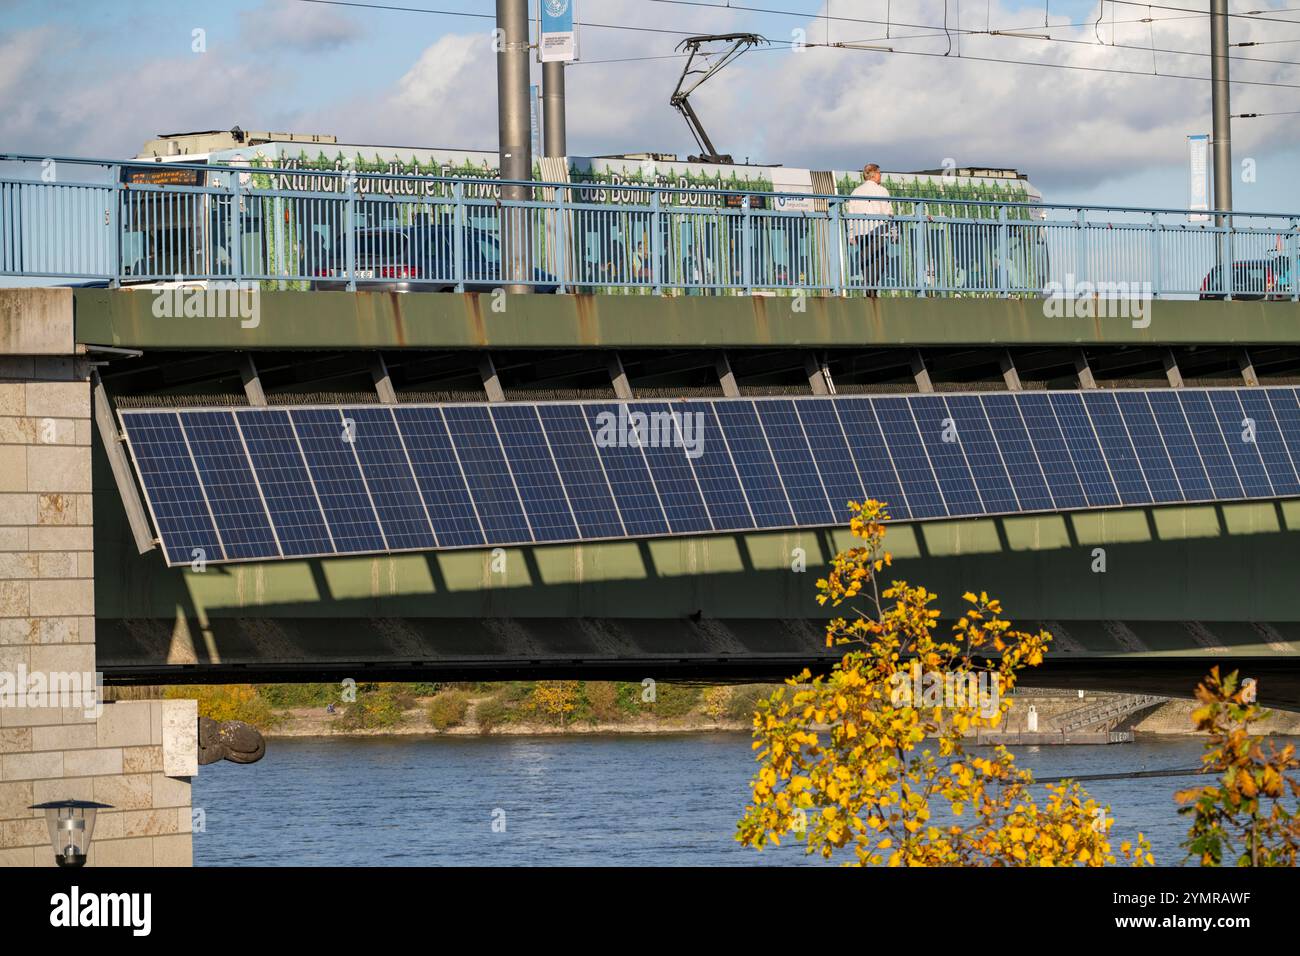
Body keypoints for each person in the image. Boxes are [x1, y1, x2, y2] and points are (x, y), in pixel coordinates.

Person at [845, 163, 894, 294]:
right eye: (880, 173)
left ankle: (869, 285)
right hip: (878, 231)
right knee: (882, 259)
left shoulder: (856, 192)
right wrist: (893, 232)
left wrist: (851, 234)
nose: (881, 176)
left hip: (860, 233)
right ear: (874, 174)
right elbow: (889, 213)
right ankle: (871, 285)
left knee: (866, 258)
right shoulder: (882, 191)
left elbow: (850, 214)